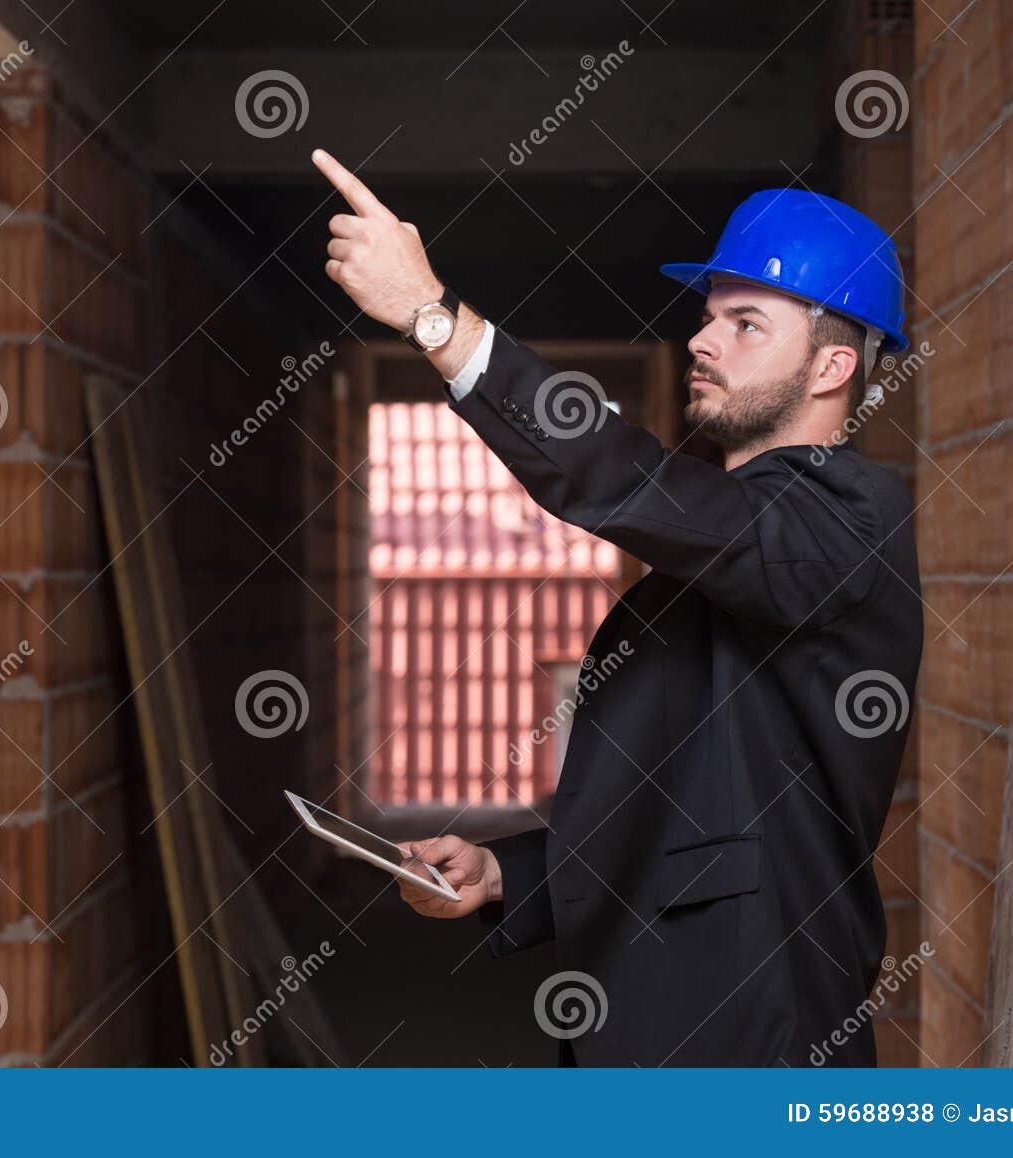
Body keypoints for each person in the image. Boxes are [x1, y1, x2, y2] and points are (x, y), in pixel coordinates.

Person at [313, 148, 923, 1067]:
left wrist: (432, 317)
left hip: (752, 1041)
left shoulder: (845, 521)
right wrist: (507, 873)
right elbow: (682, 812)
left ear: (833, 365)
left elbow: (618, 477)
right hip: (650, 1027)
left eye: (747, 324)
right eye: (708, 317)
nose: (704, 342)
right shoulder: (724, 539)